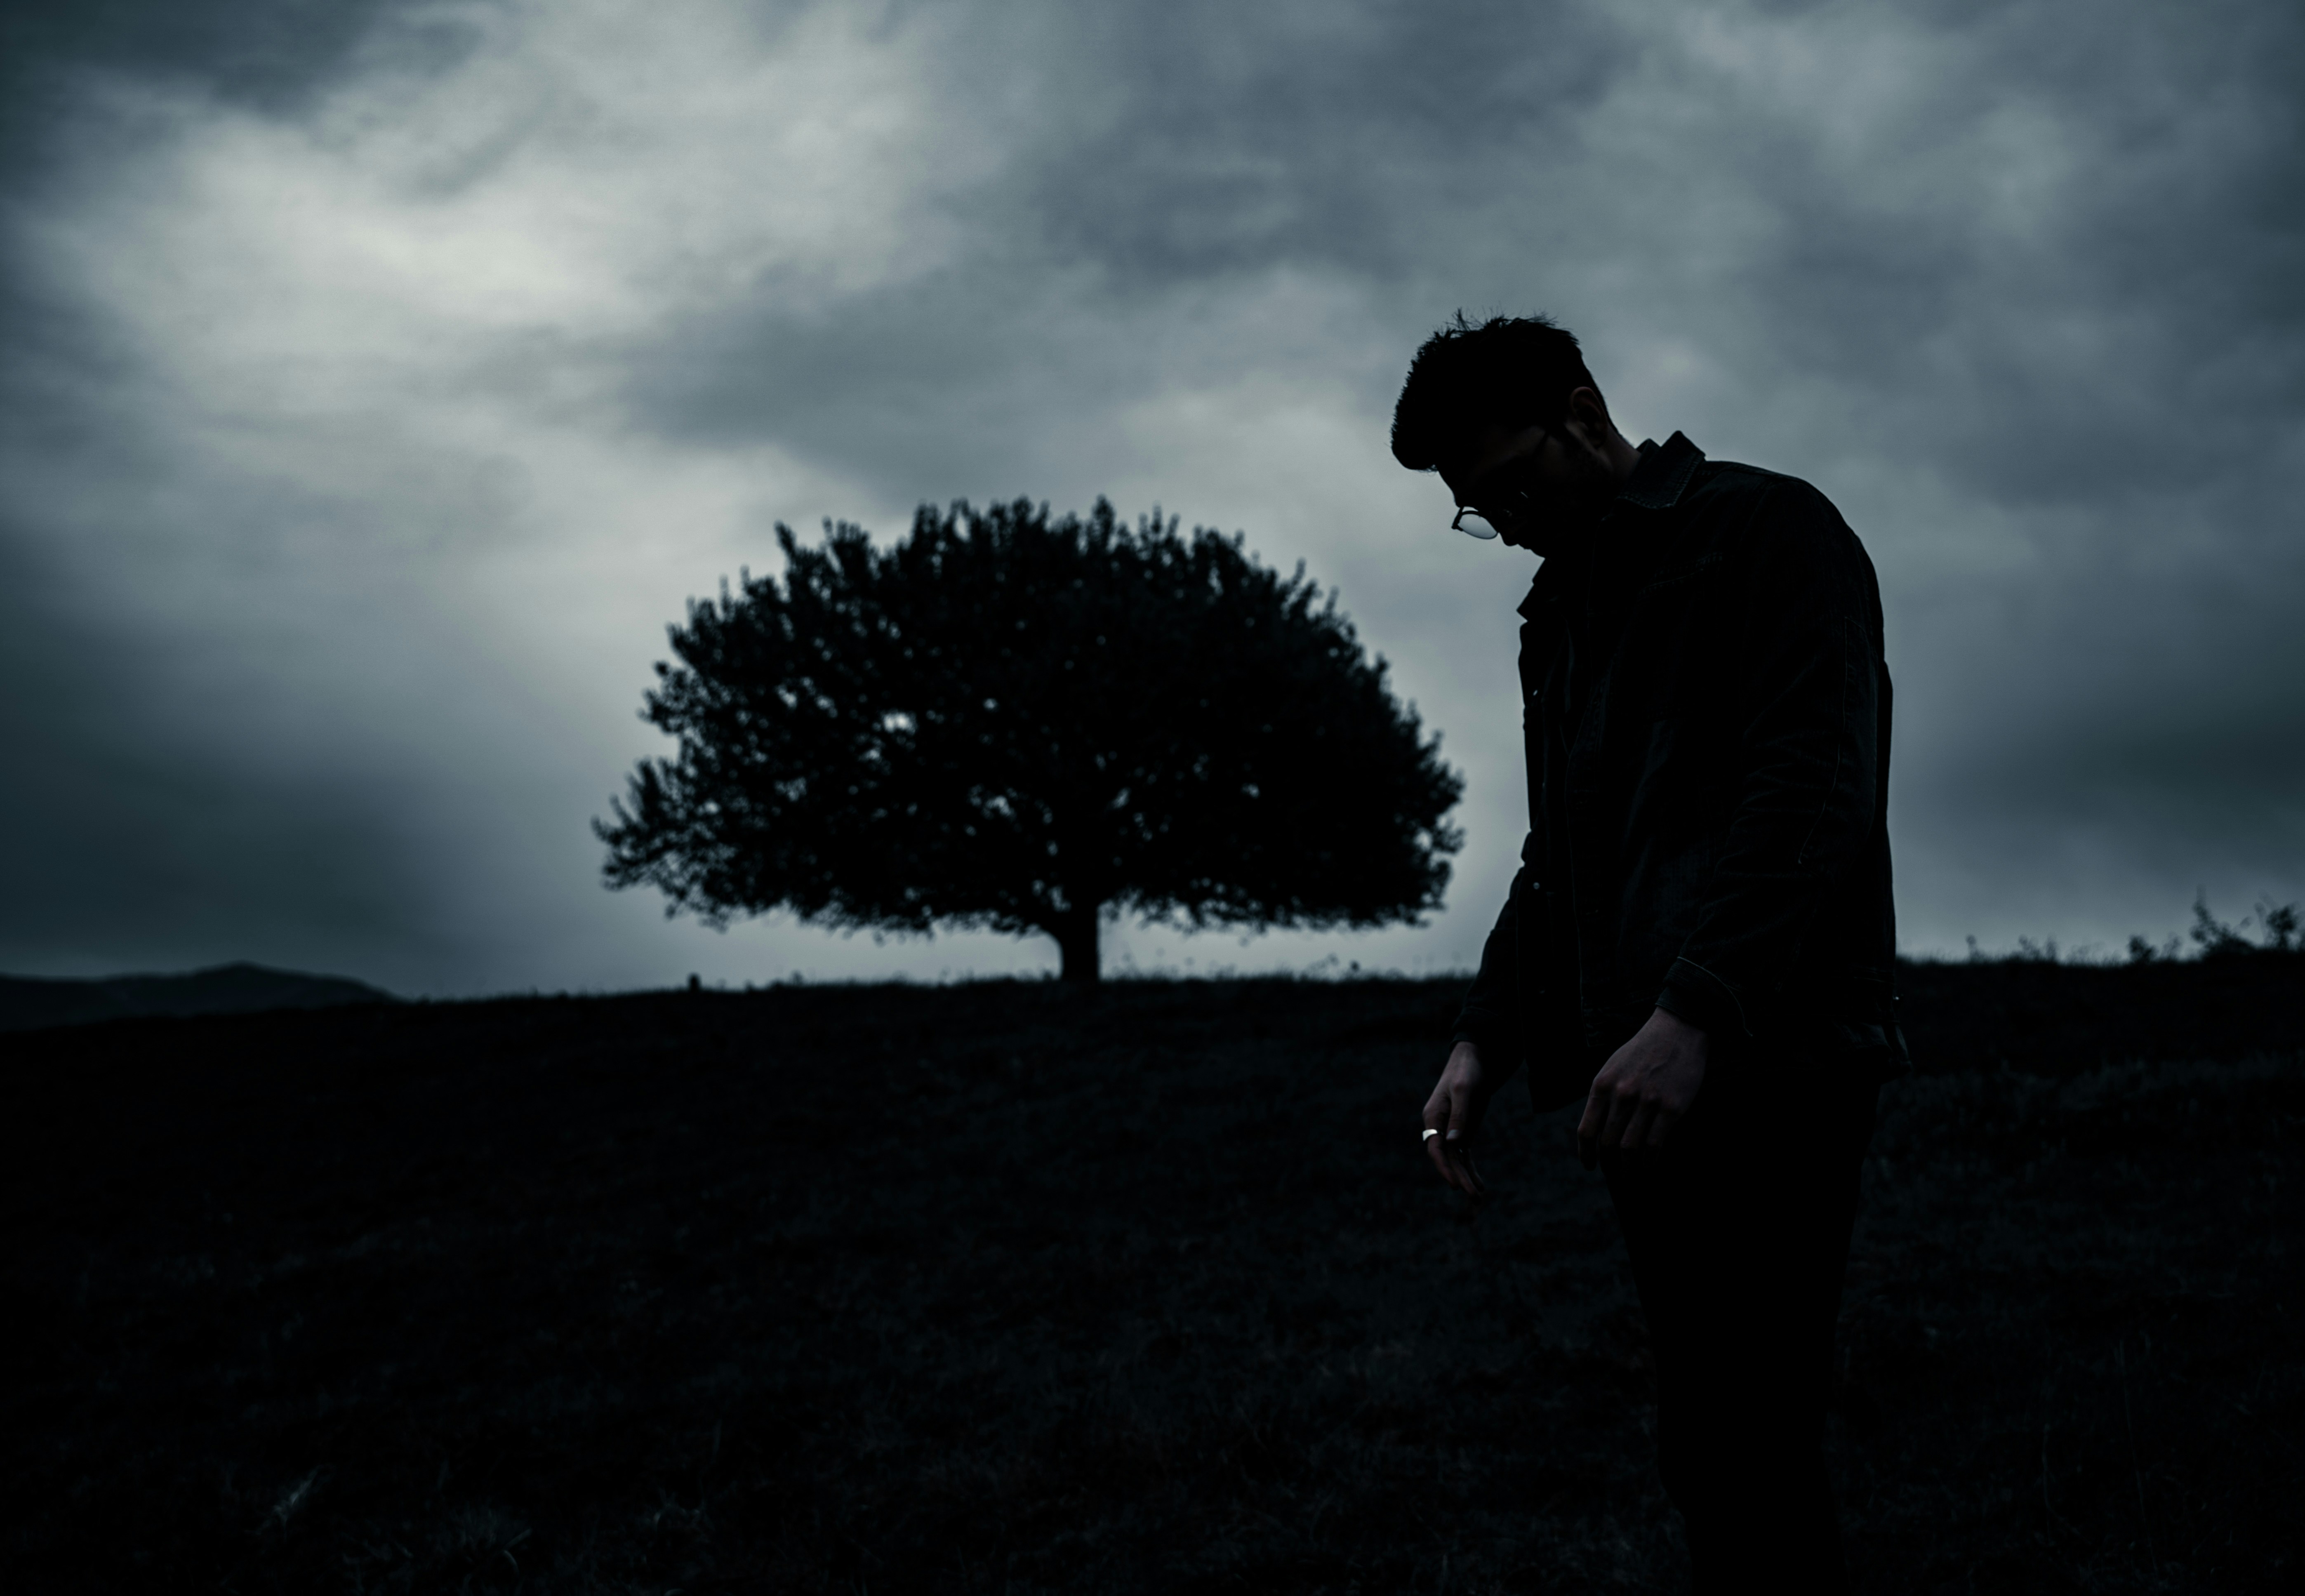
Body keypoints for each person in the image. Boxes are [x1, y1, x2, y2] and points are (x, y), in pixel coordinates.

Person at [1393, 314, 1903, 1592]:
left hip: (1771, 1061)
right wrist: (1481, 1038)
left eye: (1511, 481)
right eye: (1474, 508)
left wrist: (1699, 1013)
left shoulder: (1770, 531)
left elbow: (1815, 785)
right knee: (1704, 1442)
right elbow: (1558, 854)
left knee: (1751, 1439)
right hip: (1643, 1087)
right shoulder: (1559, 613)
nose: (1502, 521)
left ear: (1582, 410)